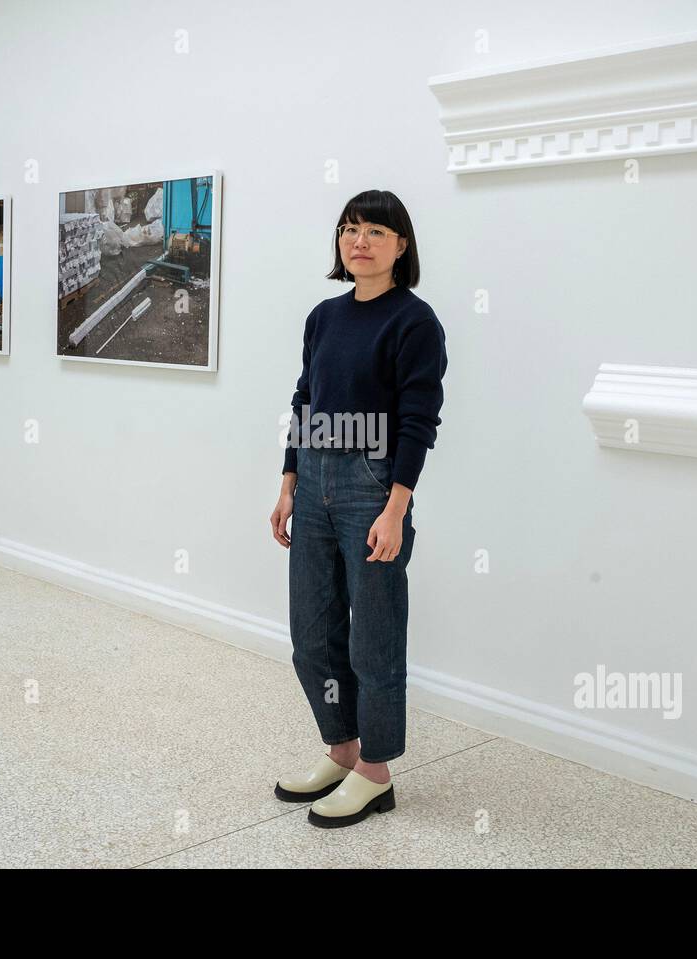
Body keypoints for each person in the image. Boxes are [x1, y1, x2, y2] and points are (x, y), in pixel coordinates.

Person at [269, 189, 447, 828]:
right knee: (311, 634)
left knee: (373, 638)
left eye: (375, 230)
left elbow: (419, 419)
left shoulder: (413, 321)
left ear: (401, 245)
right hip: (313, 477)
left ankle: (375, 772)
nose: (359, 241)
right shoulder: (323, 315)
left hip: (373, 488)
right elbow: (305, 397)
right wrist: (289, 480)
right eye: (349, 229)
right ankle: (340, 750)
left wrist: (397, 506)